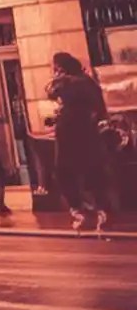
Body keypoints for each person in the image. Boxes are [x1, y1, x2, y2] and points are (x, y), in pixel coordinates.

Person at [47, 52, 110, 231]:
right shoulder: (88, 82)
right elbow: (100, 106)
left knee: (64, 171)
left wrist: (57, 79)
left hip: (69, 131)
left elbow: (51, 93)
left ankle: (78, 210)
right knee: (93, 170)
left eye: (56, 66)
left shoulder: (66, 82)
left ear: (62, 66)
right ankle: (101, 210)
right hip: (88, 131)